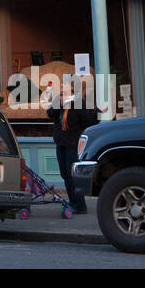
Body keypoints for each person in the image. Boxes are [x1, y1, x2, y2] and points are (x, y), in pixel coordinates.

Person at [48, 78, 98, 213]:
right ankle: (72, 202)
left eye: (64, 84)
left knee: (72, 175)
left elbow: (88, 120)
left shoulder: (79, 102)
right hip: (61, 143)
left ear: (71, 87)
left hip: (73, 143)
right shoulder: (59, 99)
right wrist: (60, 104)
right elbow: (50, 113)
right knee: (64, 174)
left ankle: (80, 205)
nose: (61, 86)